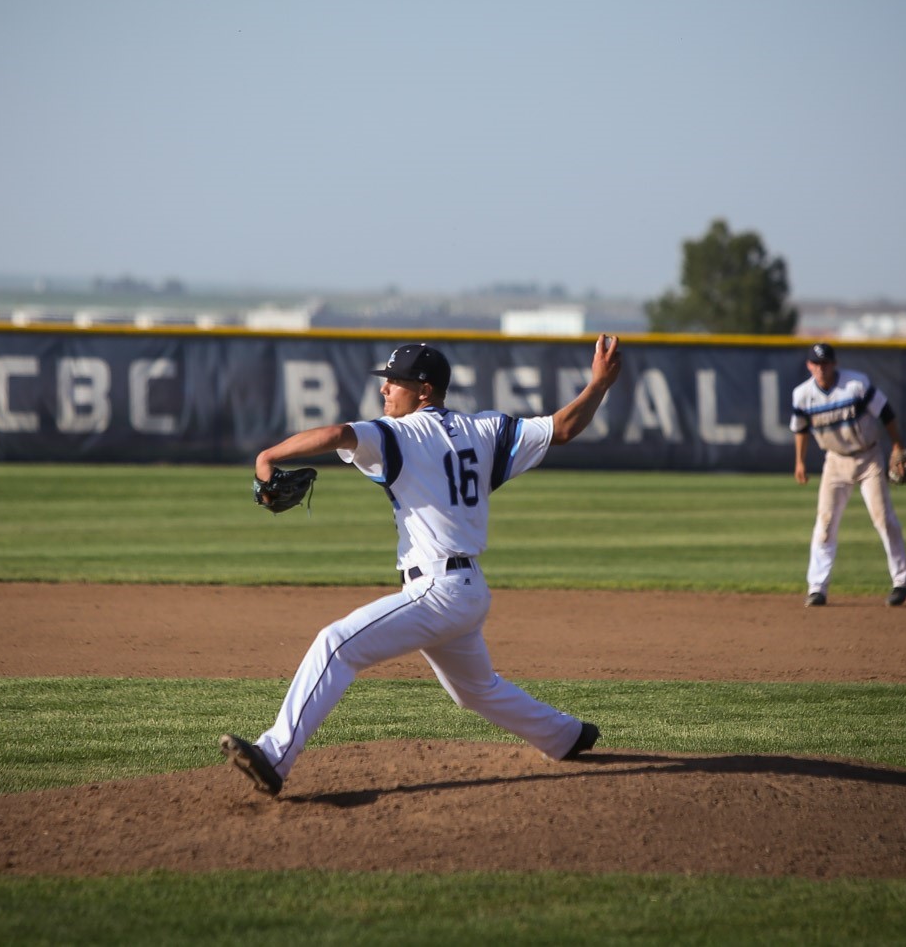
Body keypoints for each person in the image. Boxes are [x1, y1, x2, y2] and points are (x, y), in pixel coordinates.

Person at [220, 335, 623, 796]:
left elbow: (337, 435)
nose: (385, 389)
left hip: (437, 591)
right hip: (467, 591)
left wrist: (267, 456)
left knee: (336, 644)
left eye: (396, 381)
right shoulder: (486, 429)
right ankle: (566, 735)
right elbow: (562, 427)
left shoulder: (401, 433)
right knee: (474, 690)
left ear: (425, 390)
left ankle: (275, 754)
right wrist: (598, 386)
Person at [790, 342, 906, 607]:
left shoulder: (856, 385)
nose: (821, 369)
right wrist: (799, 462)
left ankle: (902, 582)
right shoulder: (802, 395)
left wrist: (896, 446)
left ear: (834, 363)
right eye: (816, 364)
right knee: (824, 524)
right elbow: (800, 429)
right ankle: (817, 588)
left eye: (825, 363)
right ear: (809, 366)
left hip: (868, 457)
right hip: (834, 461)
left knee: (883, 519)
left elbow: (886, 412)